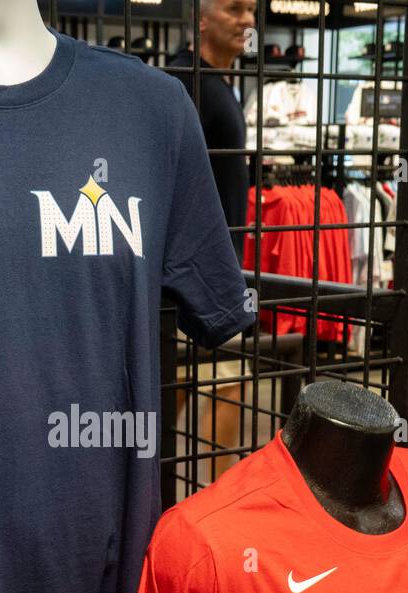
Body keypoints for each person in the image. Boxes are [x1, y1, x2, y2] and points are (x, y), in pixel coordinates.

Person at [167, 0, 255, 481]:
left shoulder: (211, 82)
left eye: (252, 10)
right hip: (202, 270)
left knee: (185, 379)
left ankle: (160, 489)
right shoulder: (189, 81)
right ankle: (220, 500)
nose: (248, 20)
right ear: (200, 17)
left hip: (204, 268)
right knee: (227, 383)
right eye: (234, 8)